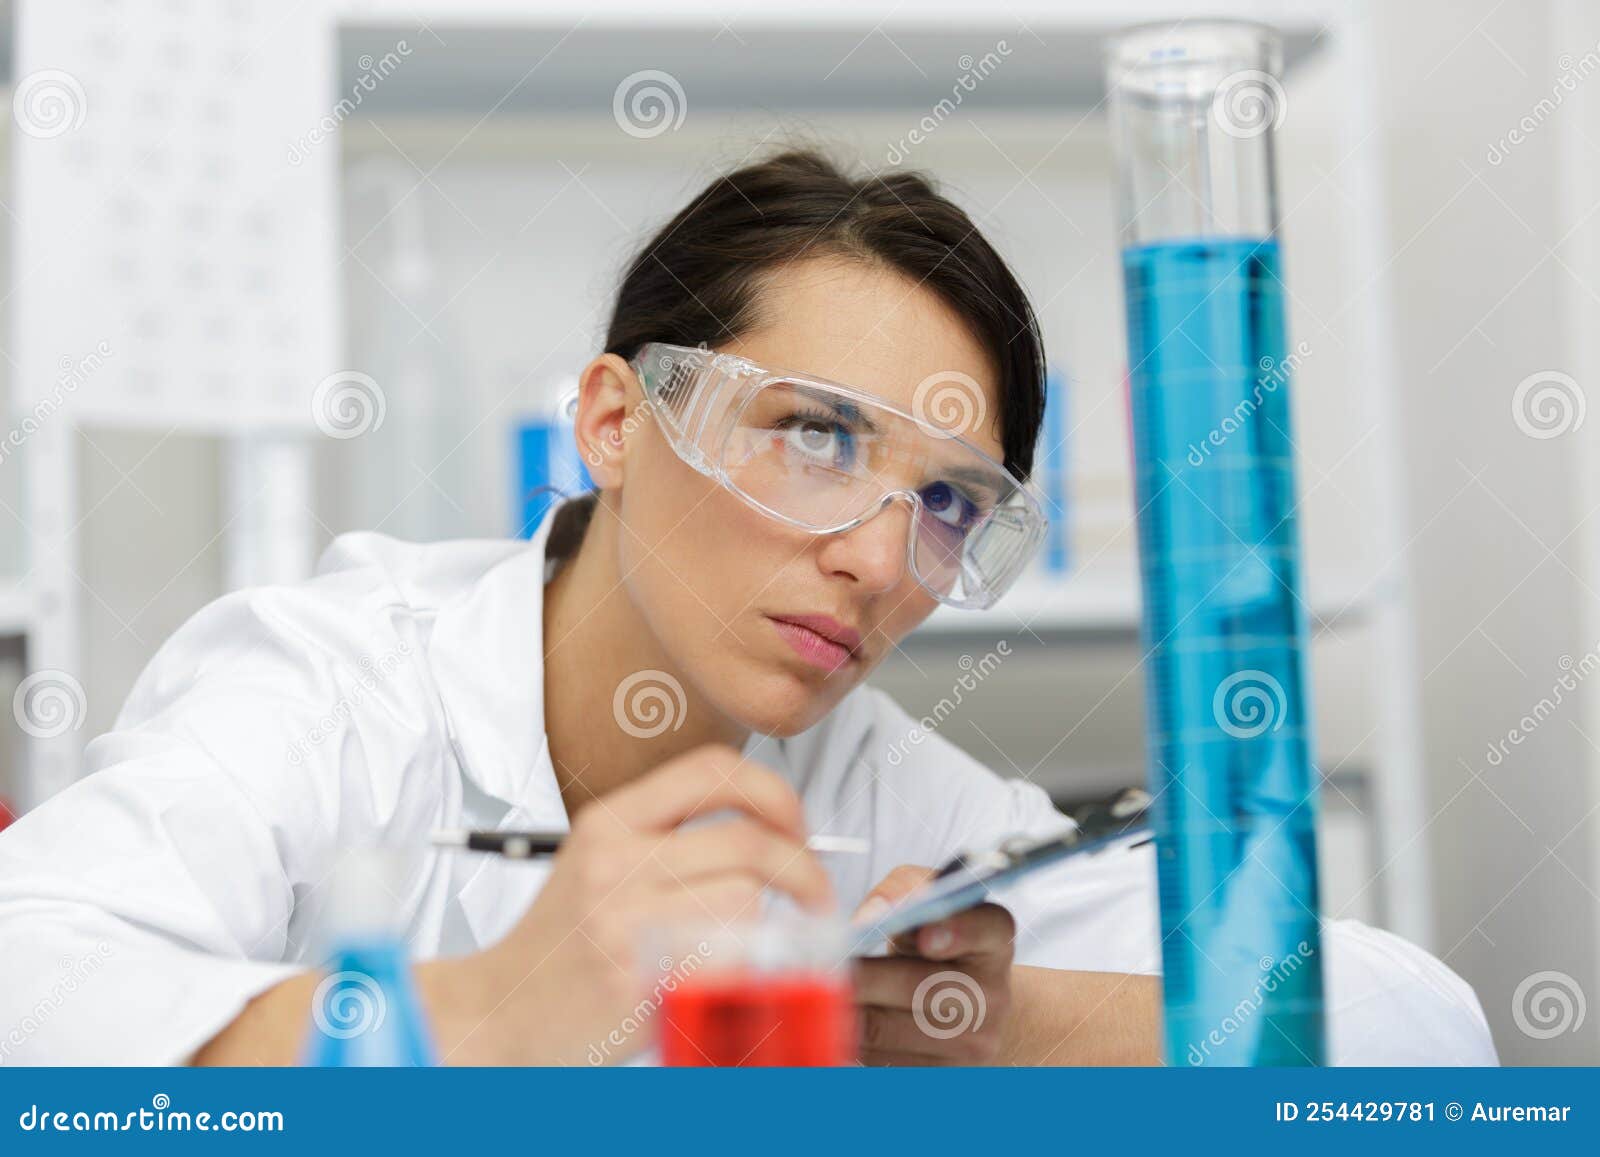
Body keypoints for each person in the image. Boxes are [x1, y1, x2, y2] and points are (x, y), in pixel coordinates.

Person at [0, 148, 1496, 1066]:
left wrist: (1001, 1026)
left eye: (949, 502)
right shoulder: (332, 689)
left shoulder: (875, 791)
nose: (878, 560)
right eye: (818, 436)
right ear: (614, 422)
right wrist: (487, 1013)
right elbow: (34, 990)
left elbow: (1413, 1038)